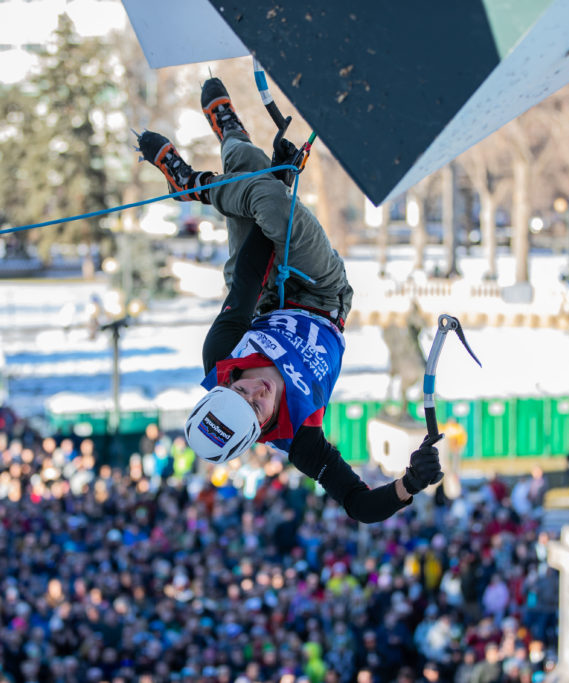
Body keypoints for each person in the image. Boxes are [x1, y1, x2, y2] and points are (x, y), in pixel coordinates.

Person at [135, 77, 442, 523]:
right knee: (266, 198)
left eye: (241, 390)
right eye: (258, 405)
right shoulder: (300, 438)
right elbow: (359, 505)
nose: (257, 389)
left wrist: (276, 182)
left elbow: (245, 277)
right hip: (323, 293)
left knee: (262, 194)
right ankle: (215, 163)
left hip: (264, 298)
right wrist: (409, 483)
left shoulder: (221, 356)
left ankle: (206, 175)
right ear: (261, 430)